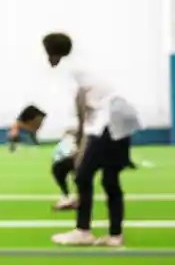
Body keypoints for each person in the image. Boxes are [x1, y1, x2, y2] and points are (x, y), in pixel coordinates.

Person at [42, 33, 140, 248]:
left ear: (52, 53)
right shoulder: (82, 63)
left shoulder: (69, 69)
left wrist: (79, 145)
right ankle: (115, 235)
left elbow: (83, 111)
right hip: (123, 117)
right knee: (110, 180)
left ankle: (83, 230)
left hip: (108, 120)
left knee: (83, 175)